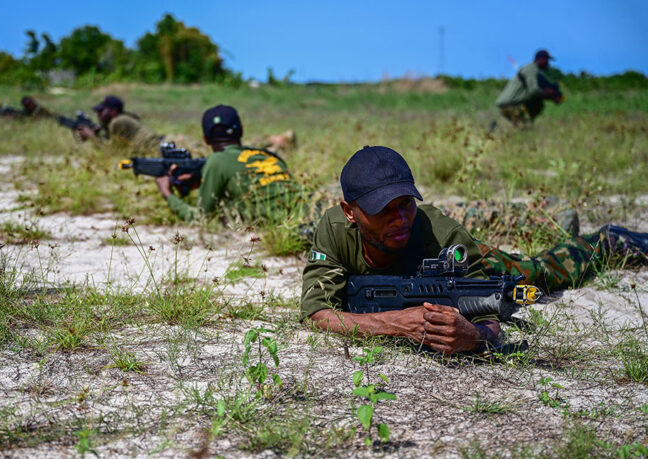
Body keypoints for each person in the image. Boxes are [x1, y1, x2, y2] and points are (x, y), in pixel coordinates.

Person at [301, 146, 648, 355]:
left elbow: (489, 320)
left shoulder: (444, 237)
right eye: (382, 209)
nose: (400, 219)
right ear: (350, 212)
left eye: (406, 204)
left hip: (472, 263)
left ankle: (609, 239)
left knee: (540, 271)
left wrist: (475, 338)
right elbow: (317, 312)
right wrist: (396, 324)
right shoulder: (333, 228)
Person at [155, 104, 299, 222]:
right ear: (241, 131)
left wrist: (167, 194)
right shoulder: (269, 156)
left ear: (206, 139)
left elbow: (201, 218)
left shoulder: (216, 161)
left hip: (286, 225)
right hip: (304, 212)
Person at [496, 50, 563, 126]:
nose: (548, 63)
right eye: (546, 60)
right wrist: (548, 93)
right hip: (511, 104)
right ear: (540, 59)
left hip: (509, 104)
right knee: (537, 103)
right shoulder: (532, 70)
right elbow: (533, 90)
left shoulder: (533, 70)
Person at [76, 95, 162, 154]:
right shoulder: (124, 118)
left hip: (156, 150)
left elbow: (112, 153)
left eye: (101, 111)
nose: (98, 115)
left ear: (113, 111)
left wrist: (91, 136)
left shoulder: (118, 122)